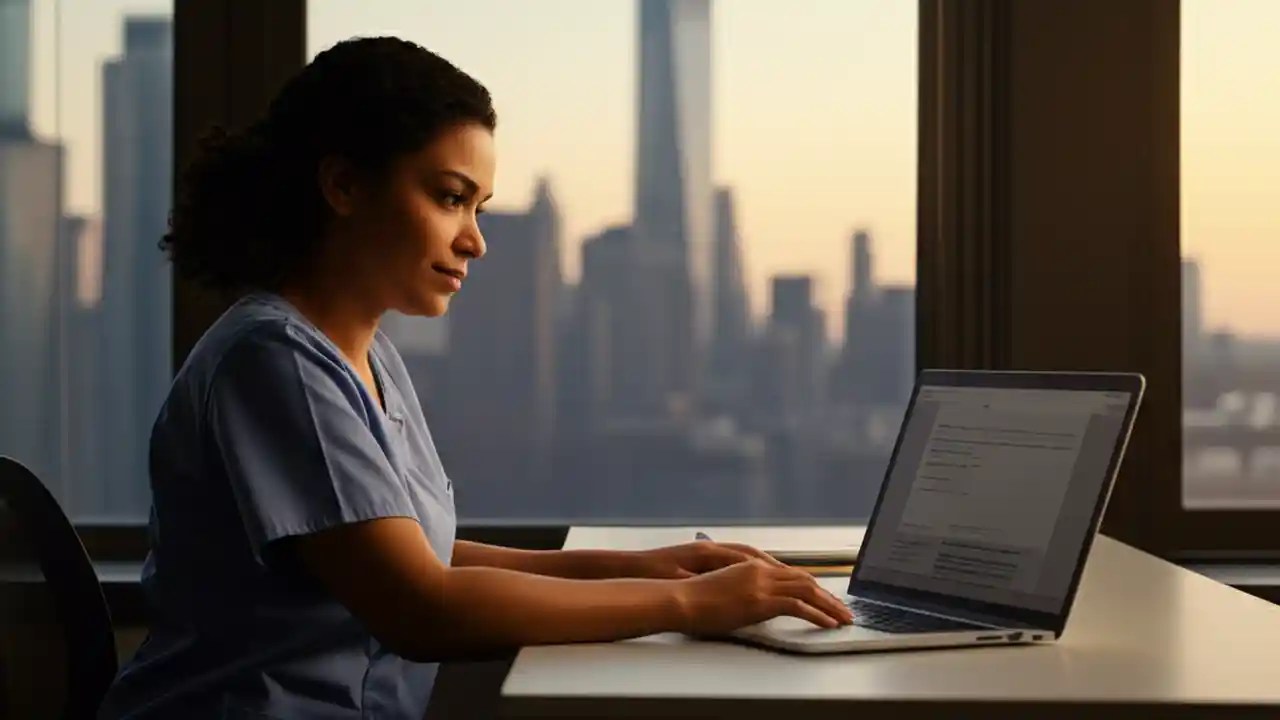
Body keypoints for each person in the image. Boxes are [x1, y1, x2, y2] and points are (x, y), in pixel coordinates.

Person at [97, 37, 852, 720]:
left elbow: (416, 553)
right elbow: (421, 607)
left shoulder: (366, 355)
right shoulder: (275, 362)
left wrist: (640, 567)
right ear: (344, 186)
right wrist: (686, 603)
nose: (476, 241)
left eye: (480, 207)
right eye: (451, 197)